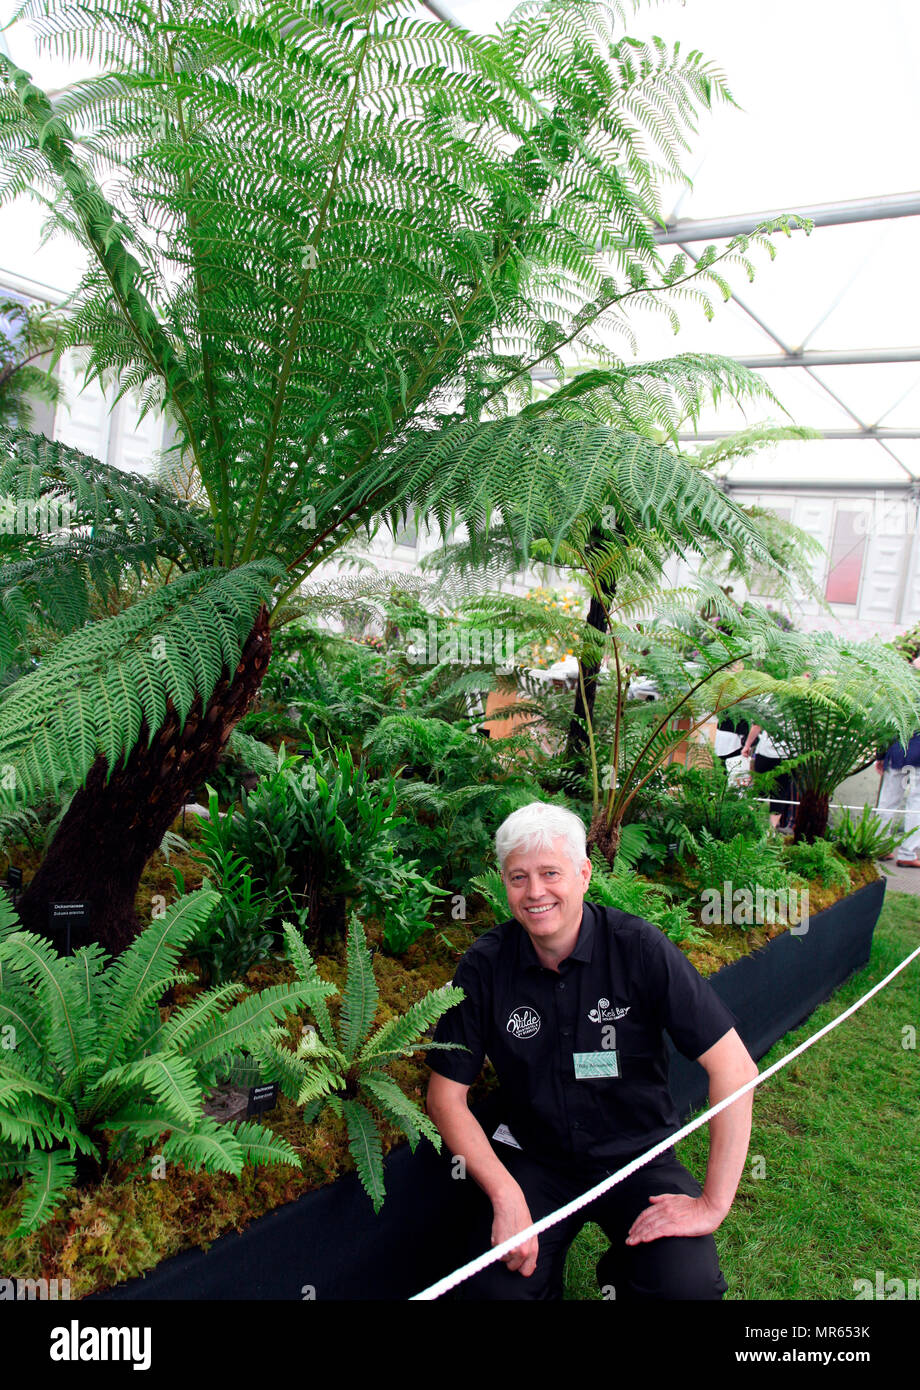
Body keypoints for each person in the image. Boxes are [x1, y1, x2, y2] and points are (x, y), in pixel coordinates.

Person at [425, 802, 759, 1301]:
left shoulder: (639, 948)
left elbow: (733, 1067)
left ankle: (622, 1273)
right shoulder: (484, 966)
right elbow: (445, 1098)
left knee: (685, 1288)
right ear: (503, 882)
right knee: (494, 1292)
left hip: (636, 1157)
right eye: (519, 877)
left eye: (550, 873)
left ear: (584, 874)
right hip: (534, 1160)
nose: (535, 892)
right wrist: (505, 1192)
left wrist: (712, 1204)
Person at [875, 733, 920, 866]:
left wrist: (880, 756)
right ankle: (907, 854)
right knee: (916, 804)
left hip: (895, 752)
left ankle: (879, 846)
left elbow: (884, 728)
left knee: (887, 802)